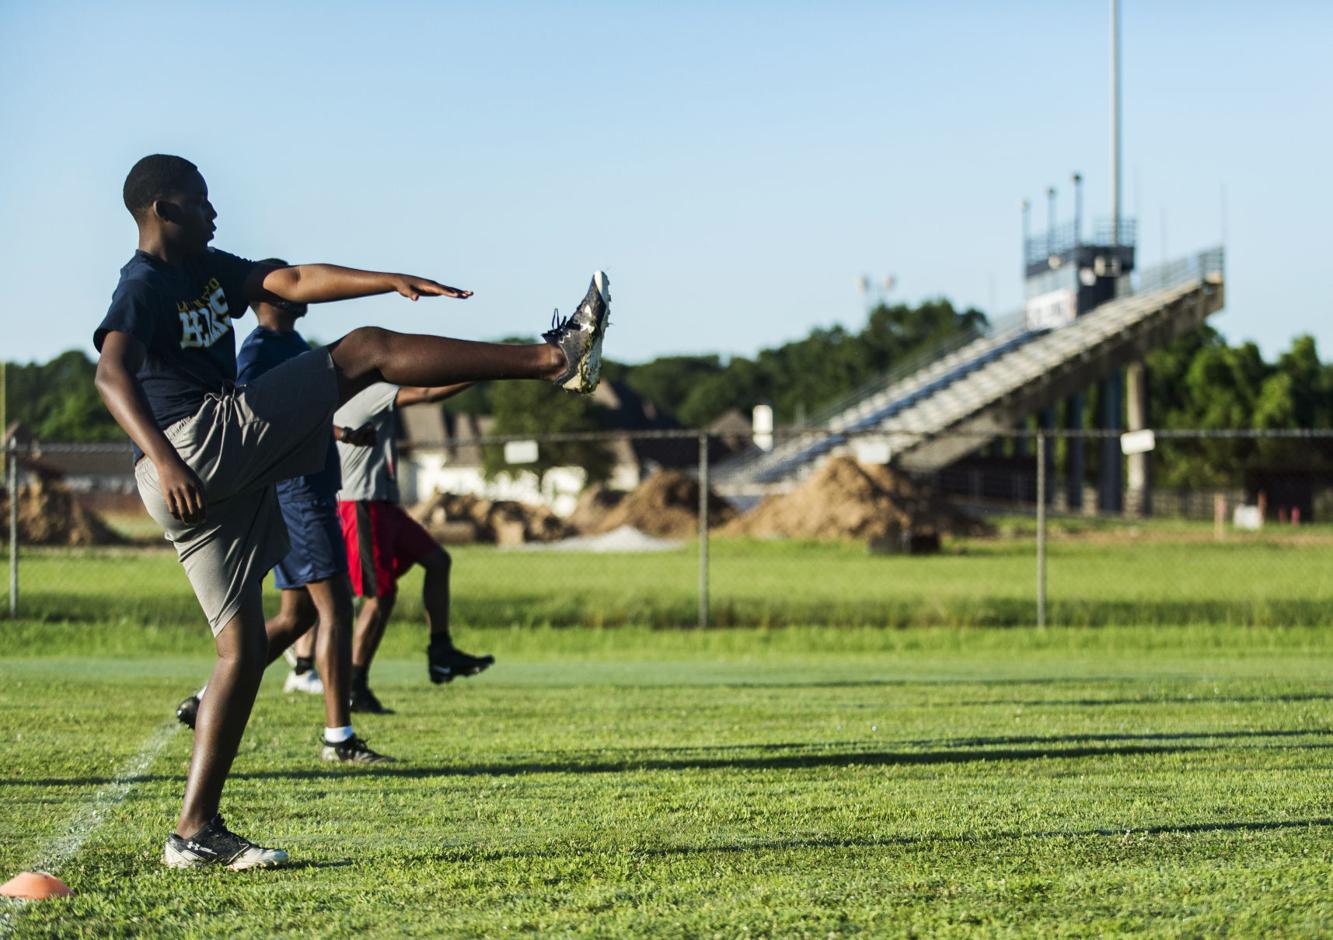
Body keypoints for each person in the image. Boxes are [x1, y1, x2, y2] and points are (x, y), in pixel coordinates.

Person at [94, 153, 610, 871]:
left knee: (241, 654)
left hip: (203, 486)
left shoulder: (208, 267)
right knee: (365, 351)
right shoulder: (143, 282)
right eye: (201, 201)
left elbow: (296, 279)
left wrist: (388, 278)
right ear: (163, 210)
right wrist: (168, 456)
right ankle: (556, 359)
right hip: (191, 449)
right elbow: (110, 373)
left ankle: (193, 834)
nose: (215, 213)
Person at [173, 265, 393, 765]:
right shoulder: (259, 351)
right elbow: (254, 416)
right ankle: (339, 738)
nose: (302, 291)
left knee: (298, 616)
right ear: (271, 297)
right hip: (300, 496)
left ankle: (207, 699)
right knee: (336, 608)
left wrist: (338, 434)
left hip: (309, 490)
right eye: (289, 284)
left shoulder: (295, 347)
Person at [333, 381, 493, 714]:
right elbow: (425, 393)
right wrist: (479, 371)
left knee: (437, 561)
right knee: (378, 597)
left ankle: (441, 653)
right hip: (360, 503)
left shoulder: (362, 391)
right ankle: (353, 686)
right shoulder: (370, 389)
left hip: (384, 503)